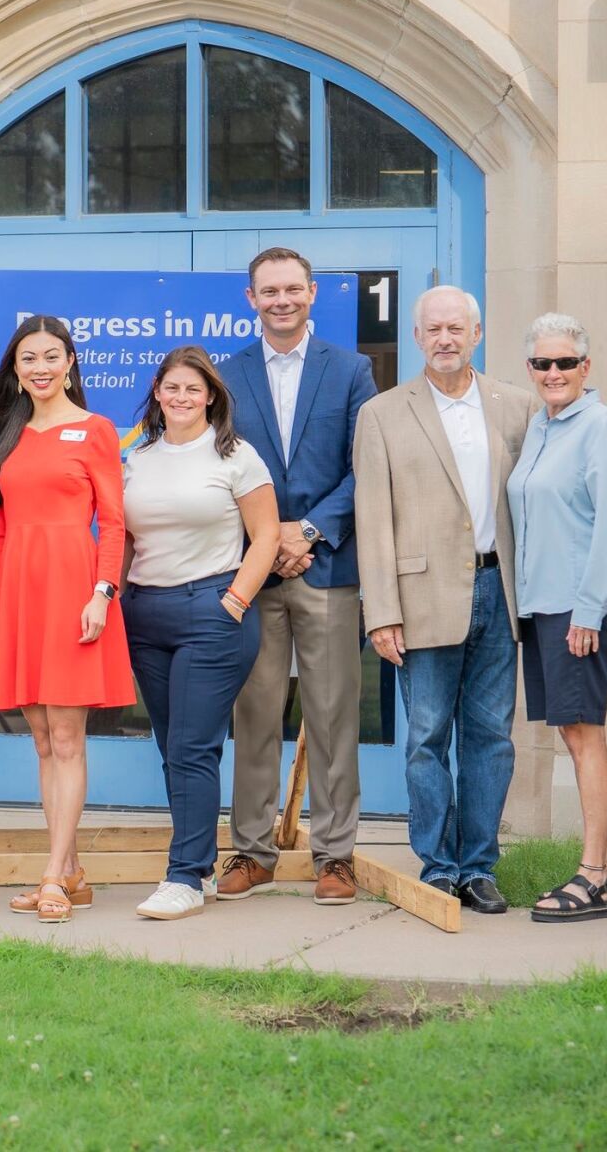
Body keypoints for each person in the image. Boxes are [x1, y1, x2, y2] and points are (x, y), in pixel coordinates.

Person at [353, 285, 537, 912]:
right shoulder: (381, 413)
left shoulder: (518, 407)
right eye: (433, 329)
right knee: (427, 737)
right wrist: (382, 612)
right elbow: (373, 517)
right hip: (420, 595)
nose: (445, 339)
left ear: (476, 334)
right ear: (417, 337)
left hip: (498, 589)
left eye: (456, 328)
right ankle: (438, 864)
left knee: (491, 737)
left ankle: (479, 866)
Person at [225, 246, 377, 906]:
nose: (281, 300)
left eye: (292, 288)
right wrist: (268, 537)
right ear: (250, 298)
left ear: (312, 293)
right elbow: (218, 465)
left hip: (326, 567)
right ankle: (252, 851)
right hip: (251, 572)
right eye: (269, 290)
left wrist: (306, 530)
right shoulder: (224, 376)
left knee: (332, 714)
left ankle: (334, 856)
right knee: (253, 712)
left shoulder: (349, 371)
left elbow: (363, 464)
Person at [0, 316, 134, 923]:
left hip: (74, 593)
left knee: (67, 739)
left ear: (70, 362)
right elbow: (3, 528)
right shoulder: (8, 436)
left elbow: (114, 522)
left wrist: (102, 593)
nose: (39, 368)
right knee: (42, 739)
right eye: (27, 359)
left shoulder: (95, 430)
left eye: (50, 356)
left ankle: (51, 876)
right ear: (15, 371)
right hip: (18, 595)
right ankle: (70, 870)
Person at [122, 346, 280, 921]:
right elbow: (125, 538)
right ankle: (204, 867)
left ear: (210, 395)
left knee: (191, 748)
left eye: (193, 389)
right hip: (145, 614)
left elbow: (265, 536)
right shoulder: (137, 457)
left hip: (211, 612)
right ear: (157, 394)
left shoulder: (236, 455)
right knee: (176, 750)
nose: (181, 398)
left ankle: (184, 877)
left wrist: (234, 601)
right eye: (171, 388)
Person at [505, 314, 607, 923]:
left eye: (564, 363)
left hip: (579, 607)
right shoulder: (541, 427)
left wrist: (588, 610)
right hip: (543, 604)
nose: (553, 373)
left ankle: (588, 874)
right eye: (541, 364)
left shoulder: (602, 429)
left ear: (586, 366)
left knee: (584, 735)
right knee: (576, 733)